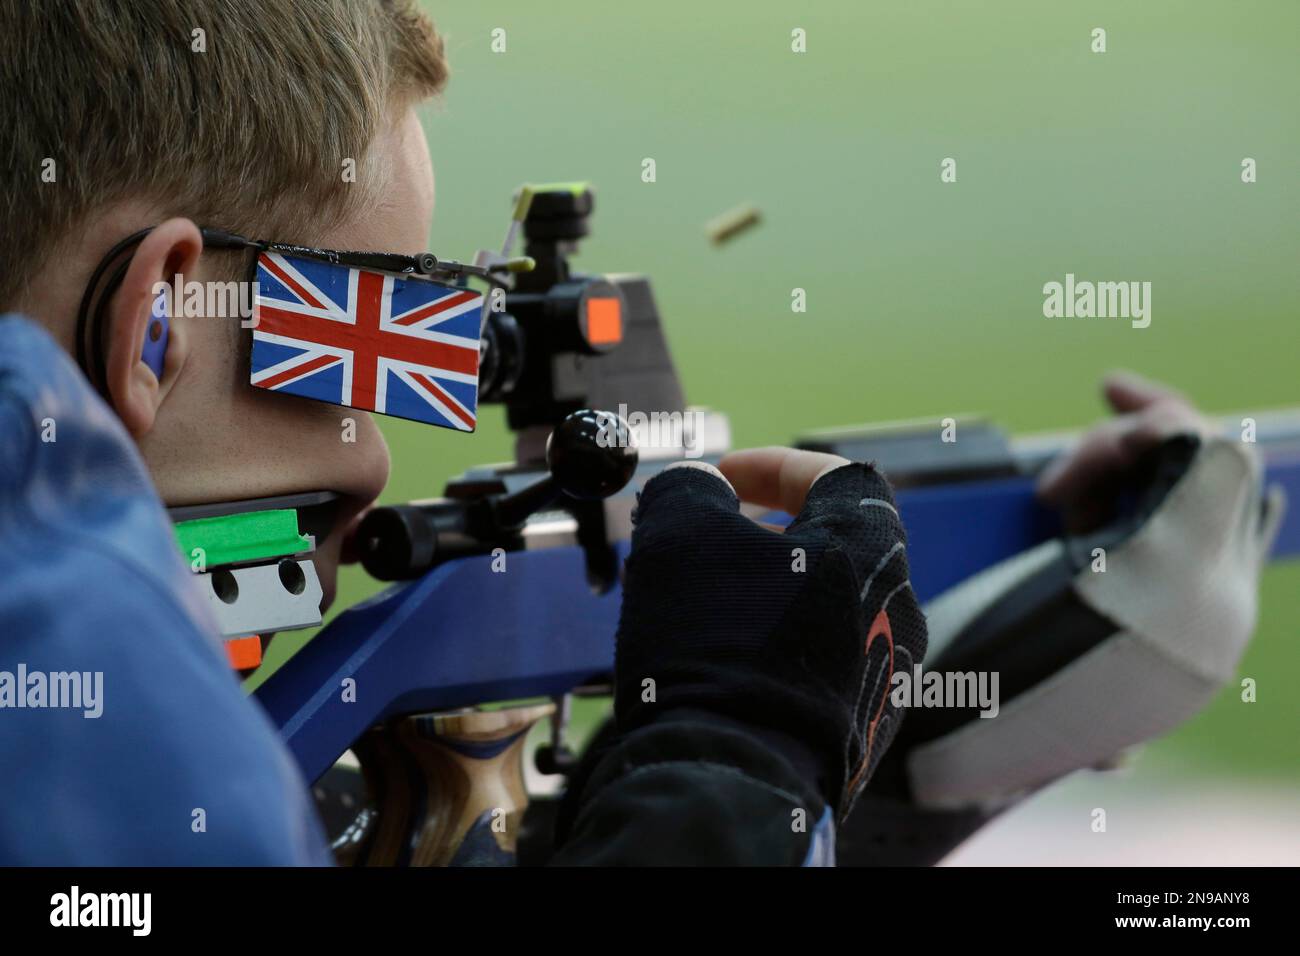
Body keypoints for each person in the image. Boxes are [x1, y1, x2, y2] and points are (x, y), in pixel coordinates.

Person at [0, 1, 1277, 865]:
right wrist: (735, 760)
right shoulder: (79, 660)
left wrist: (876, 770)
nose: (376, 458)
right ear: (159, 318)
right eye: (373, 328)